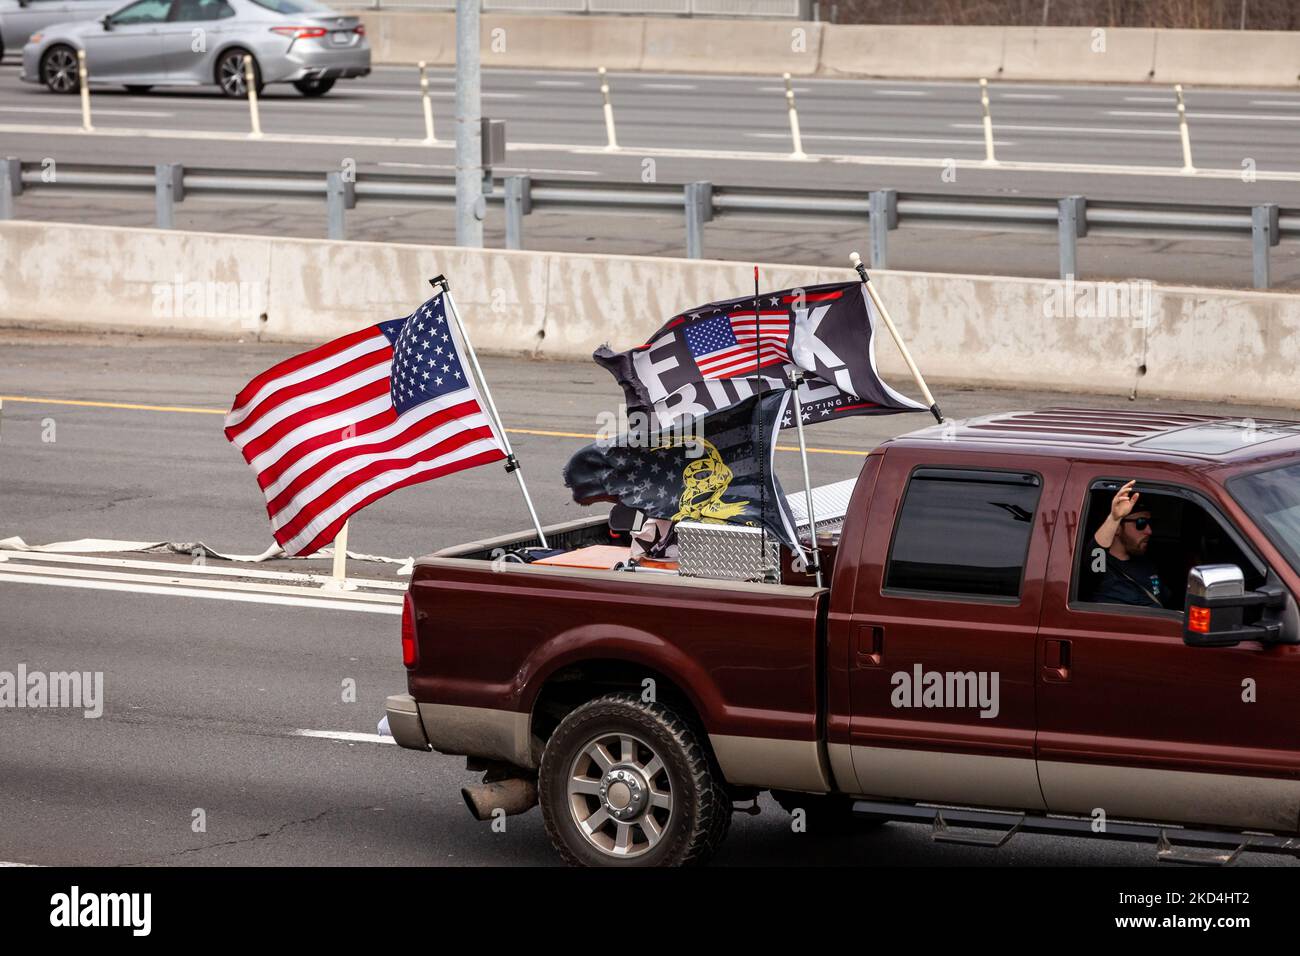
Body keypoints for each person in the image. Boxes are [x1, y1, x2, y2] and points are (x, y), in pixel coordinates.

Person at [1091, 479, 1169, 609]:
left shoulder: (1146, 563)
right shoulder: (1101, 567)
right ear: (1117, 529)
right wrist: (1114, 518)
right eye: (1141, 523)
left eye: (1150, 523)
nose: (1149, 531)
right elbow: (1095, 553)